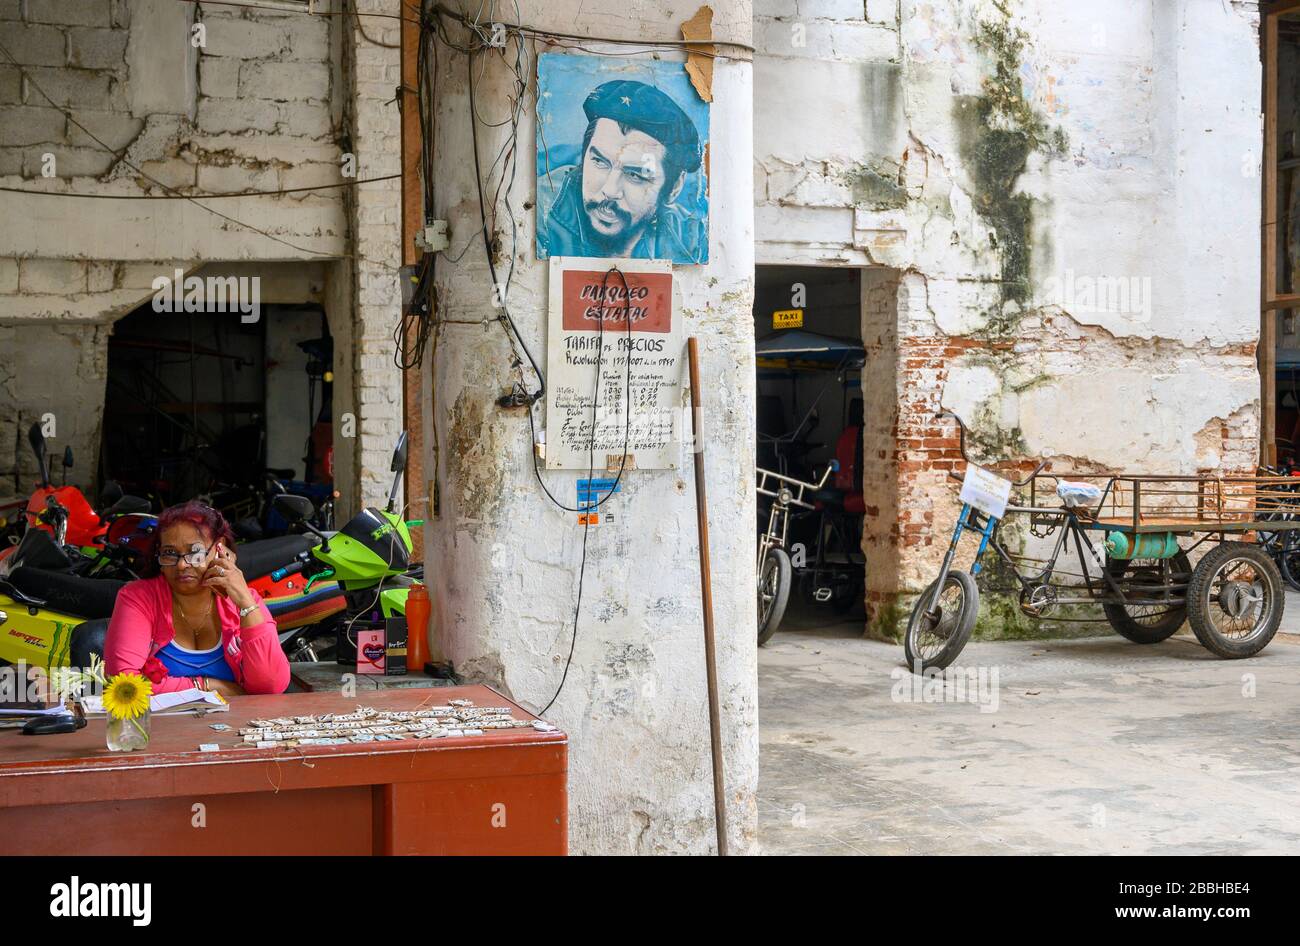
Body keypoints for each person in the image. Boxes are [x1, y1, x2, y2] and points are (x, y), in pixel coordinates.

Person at [104, 501, 289, 697]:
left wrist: (245, 602)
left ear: (219, 549)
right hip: (161, 726)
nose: (182, 565)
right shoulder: (138, 597)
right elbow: (124, 683)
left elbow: (271, 686)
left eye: (195, 552)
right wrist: (207, 687)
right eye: (169, 553)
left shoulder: (244, 601)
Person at [537, 79, 707, 263]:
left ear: (674, 187)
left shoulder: (691, 238)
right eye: (600, 162)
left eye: (635, 175)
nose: (609, 190)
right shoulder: (540, 210)